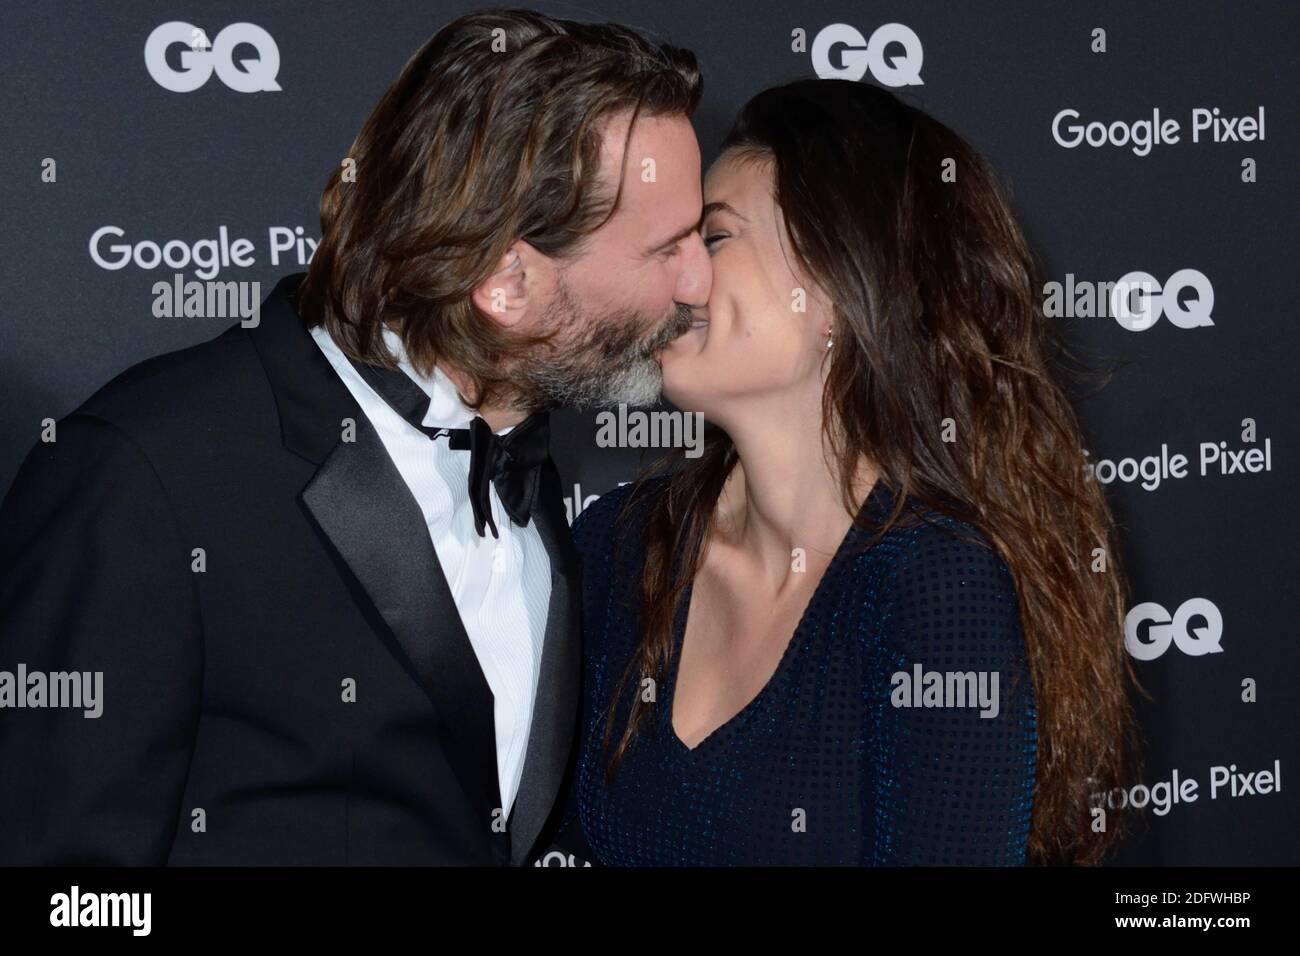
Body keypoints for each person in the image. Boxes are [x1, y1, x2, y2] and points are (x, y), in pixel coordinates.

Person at [0, 9, 710, 865]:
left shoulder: (528, 452)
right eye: (665, 248)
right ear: (507, 283)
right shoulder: (145, 473)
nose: (700, 281)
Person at [562, 78, 1143, 866]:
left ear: (838, 286)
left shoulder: (936, 591)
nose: (677, 276)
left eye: (715, 238)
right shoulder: (619, 543)